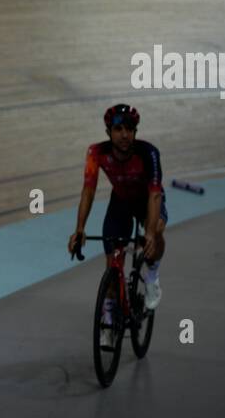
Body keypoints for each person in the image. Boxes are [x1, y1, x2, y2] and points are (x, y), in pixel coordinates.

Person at [67, 104, 167, 343]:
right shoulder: (96, 153)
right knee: (113, 262)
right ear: (108, 132)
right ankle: (109, 318)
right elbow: (88, 191)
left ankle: (152, 277)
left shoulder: (148, 153)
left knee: (157, 233)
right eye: (119, 129)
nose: (124, 135)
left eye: (130, 129)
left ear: (135, 132)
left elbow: (154, 195)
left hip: (147, 201)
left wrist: (151, 233)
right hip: (120, 202)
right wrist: (80, 229)